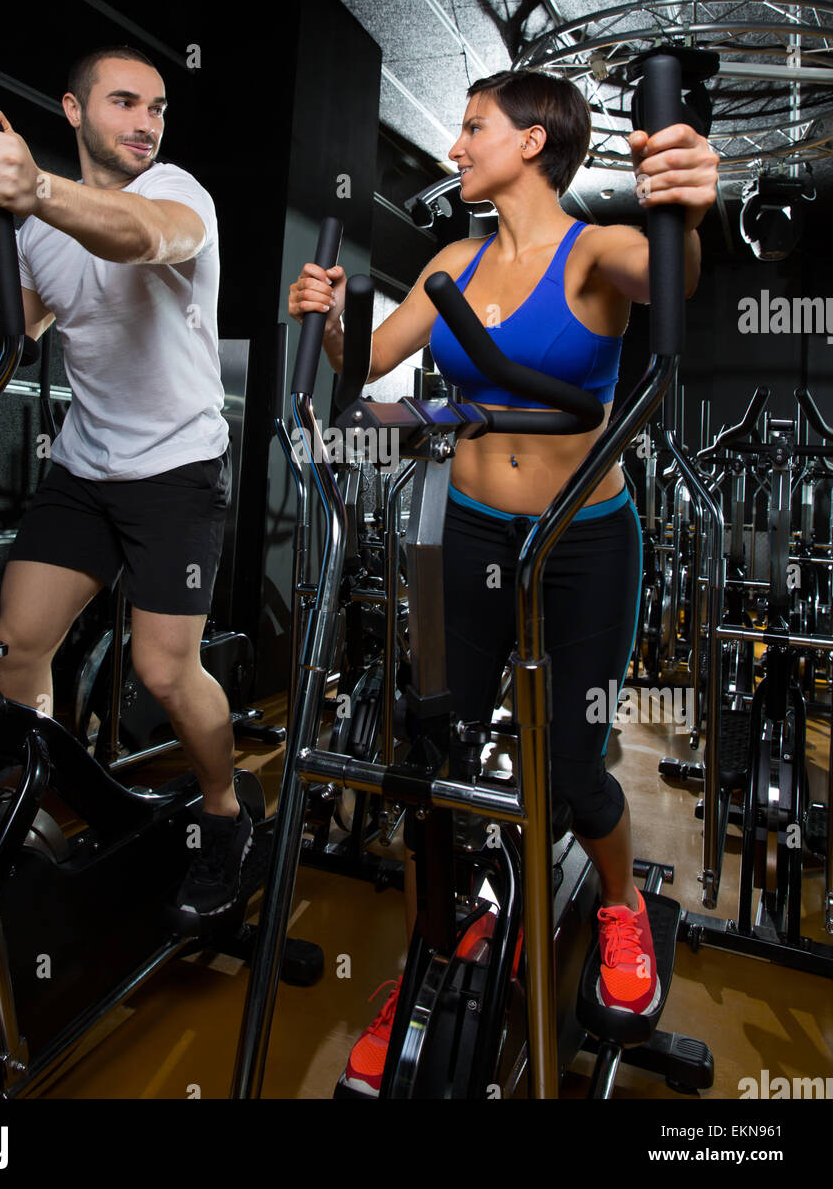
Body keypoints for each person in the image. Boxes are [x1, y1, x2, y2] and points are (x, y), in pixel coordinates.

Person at [289, 68, 719, 1095]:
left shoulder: (596, 252)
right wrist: (335, 319)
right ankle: (427, 963)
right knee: (428, 761)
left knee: (571, 769)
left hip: (583, 543)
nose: (456, 147)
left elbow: (674, 276)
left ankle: (618, 910)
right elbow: (370, 370)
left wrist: (684, 211)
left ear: (531, 143)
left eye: (472, 127)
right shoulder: (452, 260)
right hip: (468, 535)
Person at [0, 46, 252, 930]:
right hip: (86, 467)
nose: (145, 122)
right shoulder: (46, 223)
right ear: (72, 107)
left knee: (164, 670)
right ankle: (27, 817)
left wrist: (37, 192)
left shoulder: (179, 192)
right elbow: (31, 318)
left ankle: (224, 814)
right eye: (125, 102)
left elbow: (144, 236)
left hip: (177, 468)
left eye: (158, 107)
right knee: (18, 643)